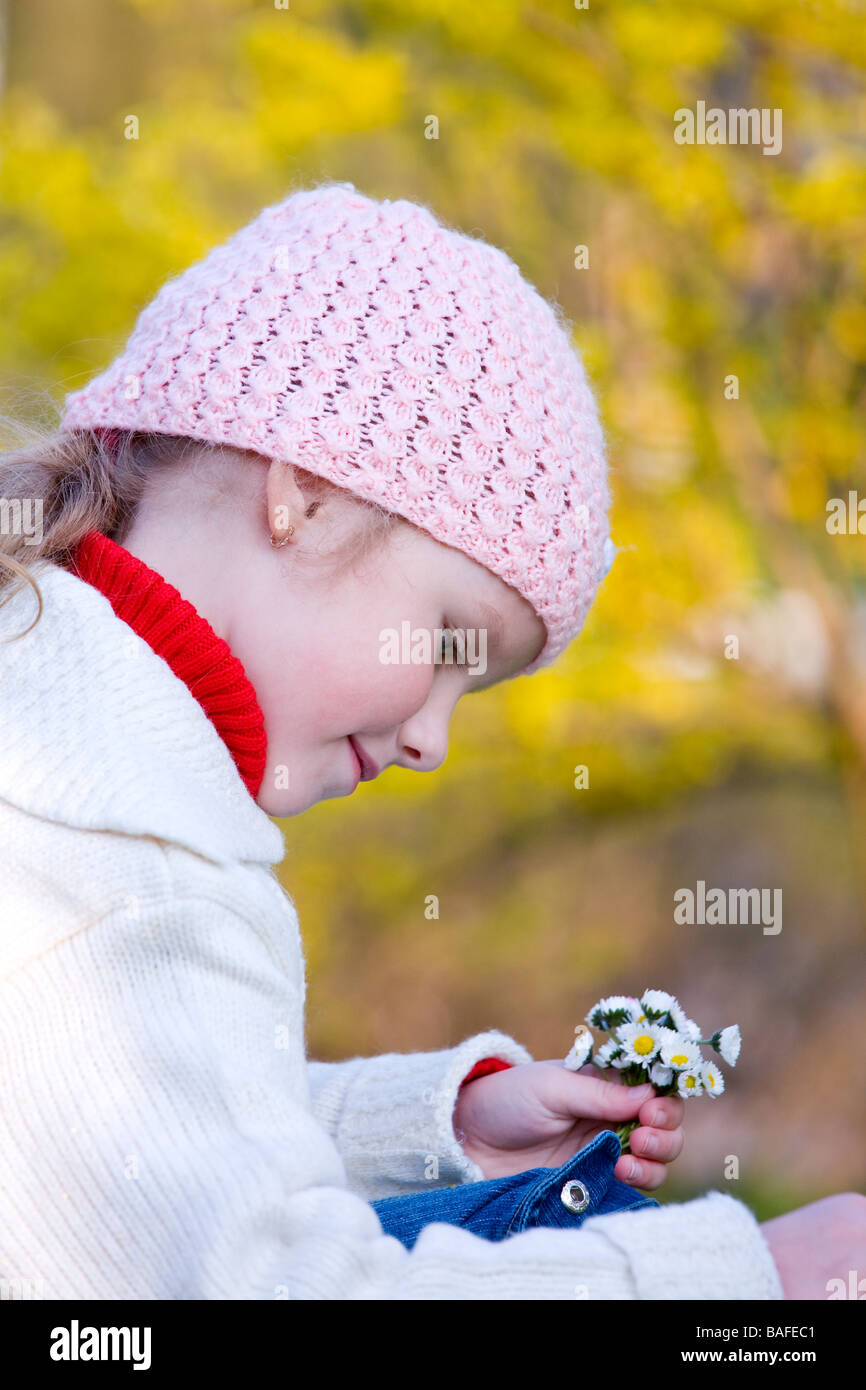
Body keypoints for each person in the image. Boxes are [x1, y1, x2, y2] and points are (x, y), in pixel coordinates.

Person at [0, 181, 860, 1299]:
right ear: (303, 492)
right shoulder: (124, 883)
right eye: (449, 640)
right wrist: (739, 1282)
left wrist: (436, 1125)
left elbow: (148, 1145)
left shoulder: (68, 772)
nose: (434, 742)